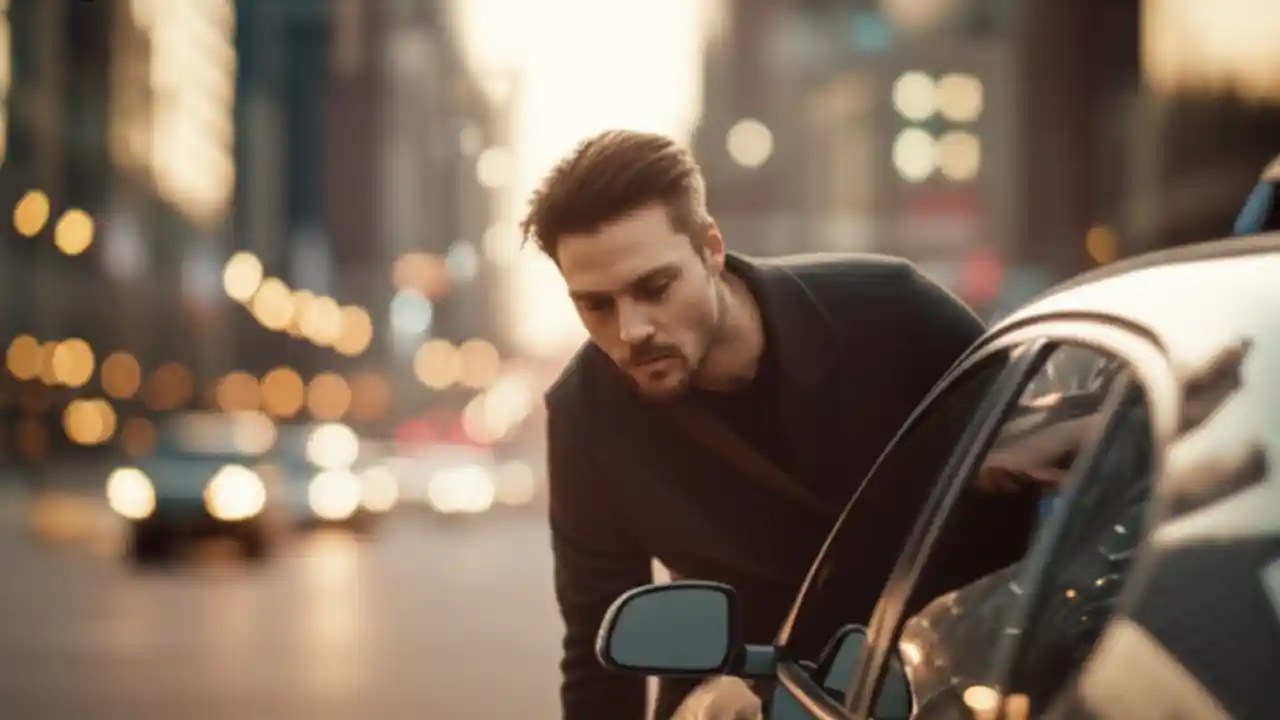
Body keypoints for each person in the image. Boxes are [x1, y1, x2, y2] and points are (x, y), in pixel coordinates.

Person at [522, 129, 986, 719]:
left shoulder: (892, 310)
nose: (631, 329)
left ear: (711, 248)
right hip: (740, 699)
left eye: (655, 287)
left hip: (961, 675)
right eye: (596, 305)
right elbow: (599, 652)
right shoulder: (586, 416)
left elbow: (1030, 443)